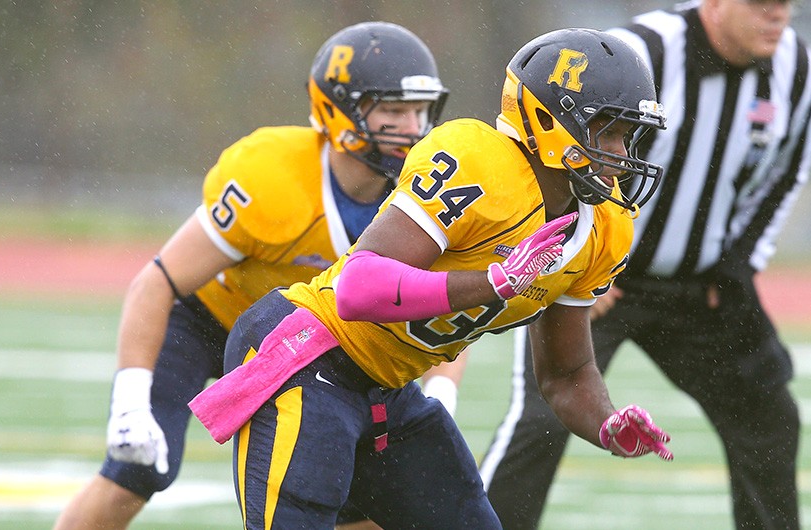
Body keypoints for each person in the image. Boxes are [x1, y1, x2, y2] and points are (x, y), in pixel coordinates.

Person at [187, 27, 677, 529]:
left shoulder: (604, 229)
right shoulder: (479, 162)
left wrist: (606, 424)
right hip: (312, 356)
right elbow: (359, 287)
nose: (621, 153)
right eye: (608, 131)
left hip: (389, 387)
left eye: (627, 134)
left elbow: (566, 375)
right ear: (551, 120)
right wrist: (493, 282)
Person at [53, 21, 459, 530]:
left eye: (420, 111)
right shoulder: (272, 175)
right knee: (134, 474)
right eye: (394, 111)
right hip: (209, 322)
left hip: (311, 347)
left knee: (363, 498)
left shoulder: (426, 192)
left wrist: (442, 397)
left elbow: (444, 311)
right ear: (339, 109)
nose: (413, 127)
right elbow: (156, 282)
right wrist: (130, 402)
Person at [480, 1, 811, 528]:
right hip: (602, 277)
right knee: (544, 417)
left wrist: (735, 267)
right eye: (761, 3)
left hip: (703, 285)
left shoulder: (797, 70)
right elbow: (553, 148)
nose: (777, 15)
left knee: (769, 415)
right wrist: (584, 257)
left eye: (785, 3)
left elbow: (785, 175)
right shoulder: (640, 52)